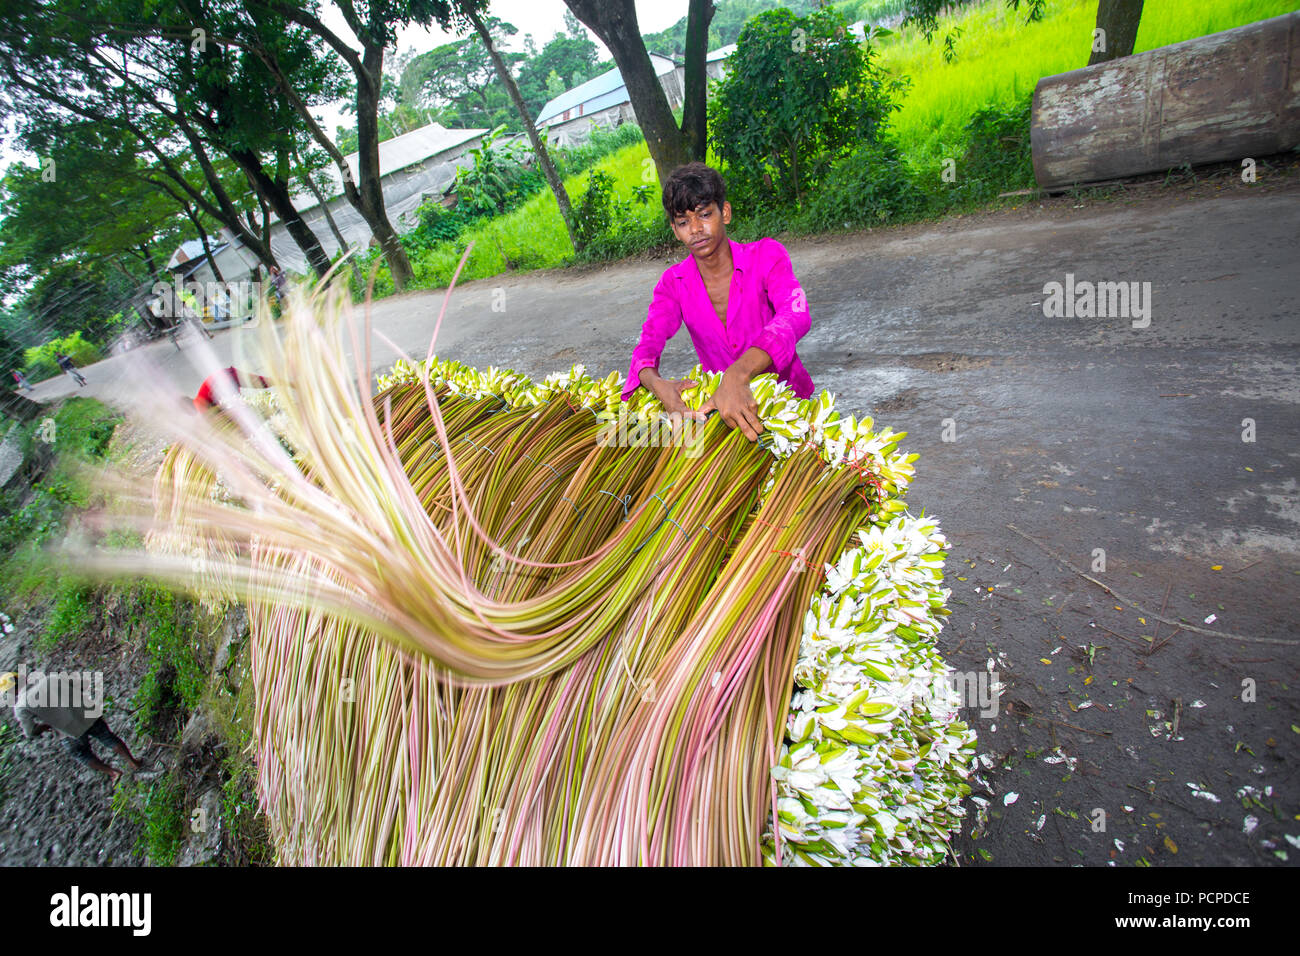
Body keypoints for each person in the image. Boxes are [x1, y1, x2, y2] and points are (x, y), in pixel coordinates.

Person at [622, 163, 813, 441]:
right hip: (726, 413)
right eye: (684, 222)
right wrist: (657, 384)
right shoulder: (673, 283)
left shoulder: (766, 256)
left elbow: (795, 315)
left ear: (725, 212)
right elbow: (648, 344)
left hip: (789, 403)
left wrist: (738, 373)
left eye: (704, 215)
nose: (696, 229)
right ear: (675, 230)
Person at [3, 671, 145, 782]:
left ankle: (113, 772)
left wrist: (45, 726)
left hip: (66, 731)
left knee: (81, 754)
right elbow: (80, 685)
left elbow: (30, 732)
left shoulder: (21, 706)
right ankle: (132, 762)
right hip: (86, 714)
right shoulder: (51, 678)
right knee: (107, 737)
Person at [192, 366, 271, 413]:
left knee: (263, 383)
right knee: (264, 382)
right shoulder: (200, 397)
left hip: (226, 381)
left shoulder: (198, 404)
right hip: (227, 377)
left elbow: (213, 417)